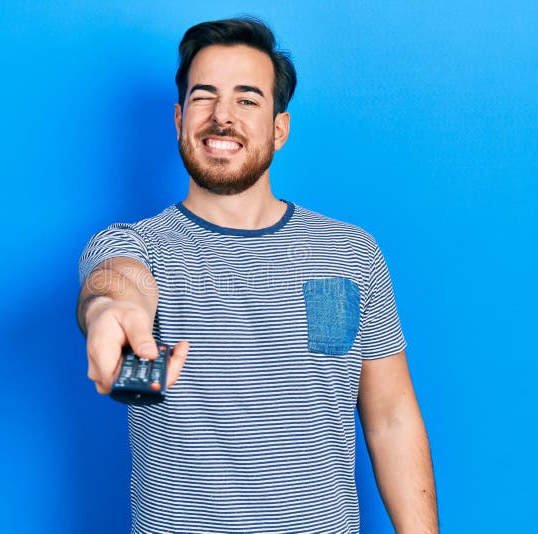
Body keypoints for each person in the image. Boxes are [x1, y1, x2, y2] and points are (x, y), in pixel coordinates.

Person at [77, 17, 438, 533]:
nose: (221, 116)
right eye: (204, 97)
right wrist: (112, 309)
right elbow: (114, 280)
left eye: (247, 99)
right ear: (180, 118)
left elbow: (391, 416)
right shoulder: (136, 245)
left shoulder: (350, 253)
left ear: (279, 128)